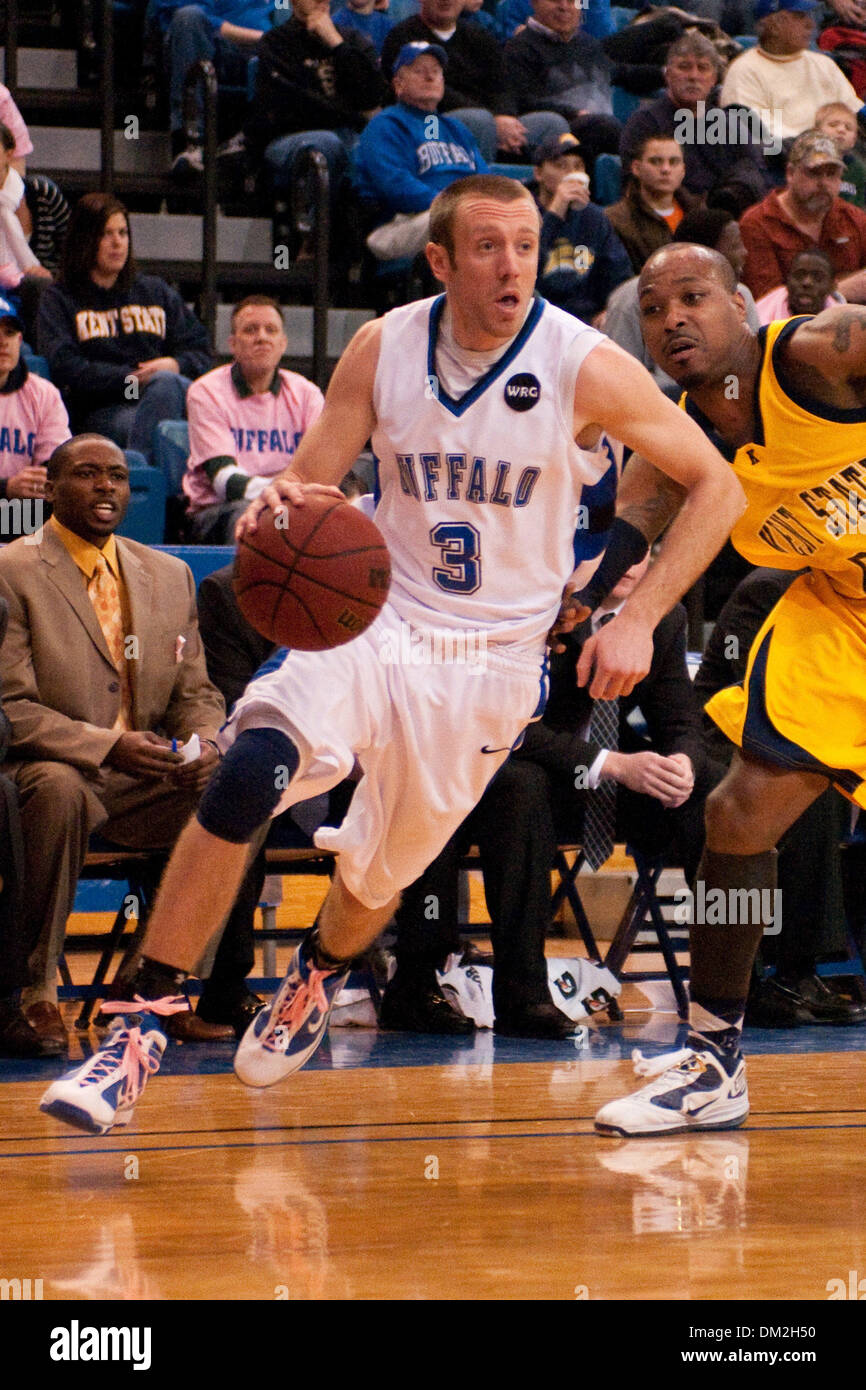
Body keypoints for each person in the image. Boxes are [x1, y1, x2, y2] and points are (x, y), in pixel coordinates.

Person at [39, 173, 743, 1136]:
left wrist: (636, 615)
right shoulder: (385, 345)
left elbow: (717, 487)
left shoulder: (583, 364)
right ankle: (139, 1033)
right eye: (489, 247)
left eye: (528, 246)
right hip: (376, 621)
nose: (513, 267)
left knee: (376, 875)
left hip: (493, 664)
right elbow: (309, 477)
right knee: (249, 771)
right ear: (443, 260)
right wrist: (278, 501)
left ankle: (320, 975)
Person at [592, 242, 866, 1136]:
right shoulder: (681, 434)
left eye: (695, 297)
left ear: (743, 305)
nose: (674, 318)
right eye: (656, 305)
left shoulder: (824, 352)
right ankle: (716, 1060)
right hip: (844, 617)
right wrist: (582, 600)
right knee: (738, 816)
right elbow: (632, 523)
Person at [385, 553, 710, 1039]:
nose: (630, 563)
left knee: (714, 792)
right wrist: (611, 764)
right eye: (624, 546)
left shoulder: (663, 615)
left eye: (642, 551)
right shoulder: (536, 606)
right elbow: (502, 723)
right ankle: (520, 994)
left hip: (603, 788)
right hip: (508, 767)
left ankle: (738, 976)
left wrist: (681, 764)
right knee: (521, 785)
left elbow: (682, 721)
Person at [0, 435, 253, 1053]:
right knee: (58, 792)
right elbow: (10, 709)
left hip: (147, 777)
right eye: (87, 474)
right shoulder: (12, 569)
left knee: (240, 792)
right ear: (52, 488)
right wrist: (106, 748)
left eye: (116, 475)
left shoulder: (167, 574)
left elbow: (195, 690)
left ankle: (152, 988)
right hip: (52, 766)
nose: (107, 486)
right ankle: (31, 995)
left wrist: (202, 743)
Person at [695, 566, 865, 1027]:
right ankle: (775, 976)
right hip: (734, 737)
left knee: (820, 777)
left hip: (827, 735)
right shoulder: (769, 588)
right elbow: (753, 691)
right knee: (809, 790)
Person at [36, 194, 212, 463]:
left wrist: (174, 365)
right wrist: (131, 379)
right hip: (103, 409)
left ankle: (140, 481)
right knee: (166, 431)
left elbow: (201, 351)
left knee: (168, 388)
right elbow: (66, 367)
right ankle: (144, 482)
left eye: (122, 232)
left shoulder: (155, 291)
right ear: (85, 240)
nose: (118, 242)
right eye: (106, 234)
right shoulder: (60, 298)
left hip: (165, 396)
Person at [183, 295, 324, 542]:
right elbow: (223, 481)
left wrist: (285, 498)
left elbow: (319, 468)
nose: (262, 337)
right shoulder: (206, 391)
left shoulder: (307, 394)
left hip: (290, 503)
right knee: (251, 517)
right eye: (250, 330)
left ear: (283, 343)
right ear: (233, 344)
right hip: (218, 511)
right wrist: (279, 494)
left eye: (271, 330)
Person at [382, 0, 569, 163]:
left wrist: (505, 116)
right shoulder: (402, 36)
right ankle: (478, 189)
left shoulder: (479, 35)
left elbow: (502, 84)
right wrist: (493, 119)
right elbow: (434, 92)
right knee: (480, 121)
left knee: (552, 124)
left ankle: (543, 195)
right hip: (432, 123)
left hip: (491, 121)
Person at [353, 41, 488, 262]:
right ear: (398, 84)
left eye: (436, 71)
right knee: (456, 223)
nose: (430, 77)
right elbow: (396, 186)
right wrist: (453, 206)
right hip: (398, 224)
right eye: (419, 71)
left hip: (461, 215)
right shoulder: (385, 125)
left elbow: (484, 180)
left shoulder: (457, 129)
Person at [604, 206, 759, 399]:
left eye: (692, 299)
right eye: (653, 309)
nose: (744, 252)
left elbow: (749, 371)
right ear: (703, 252)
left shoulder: (739, 294)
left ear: (738, 306)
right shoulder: (629, 298)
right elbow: (618, 381)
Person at [619, 32, 773, 212]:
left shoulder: (731, 123)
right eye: (684, 67)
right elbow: (635, 187)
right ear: (668, 75)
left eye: (702, 68)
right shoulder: (645, 123)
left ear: (714, 79)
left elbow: (760, 176)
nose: (693, 76)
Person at [145, 0, 276, 175]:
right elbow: (182, 11)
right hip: (205, 43)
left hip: (259, 51)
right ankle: (191, 142)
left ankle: (255, 143)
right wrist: (271, 40)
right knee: (189, 18)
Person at [740, 130, 866, 303]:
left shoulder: (854, 218)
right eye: (814, 173)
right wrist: (840, 292)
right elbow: (768, 301)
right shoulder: (757, 223)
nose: (823, 183)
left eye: (831, 174)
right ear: (790, 173)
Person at [503, 0, 621, 176]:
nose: (564, 7)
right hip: (564, 129)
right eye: (555, 0)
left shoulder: (588, 44)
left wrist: (664, 72)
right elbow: (522, 101)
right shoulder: (519, 48)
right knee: (605, 128)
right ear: (534, 3)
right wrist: (572, 113)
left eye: (572, 1)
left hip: (600, 125)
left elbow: (620, 72)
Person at [719, 0, 862, 143]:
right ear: (774, 25)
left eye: (808, 16)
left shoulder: (824, 64)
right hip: (784, 157)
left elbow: (855, 111)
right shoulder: (744, 70)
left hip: (838, 151)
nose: (810, 24)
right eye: (799, 17)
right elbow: (758, 133)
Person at [532, 132, 631, 326]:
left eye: (578, 166)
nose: (570, 174)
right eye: (561, 166)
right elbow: (524, 271)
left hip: (587, 321)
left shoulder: (594, 218)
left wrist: (609, 310)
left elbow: (618, 273)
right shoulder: (522, 212)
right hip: (537, 317)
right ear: (538, 173)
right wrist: (554, 213)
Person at [0, 296, 69, 510]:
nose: (3, 342)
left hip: (23, 513)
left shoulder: (43, 394)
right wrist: (6, 488)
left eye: (9, 333)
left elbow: (57, 465)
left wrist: (39, 482)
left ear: (20, 341)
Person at [604, 134, 702, 274]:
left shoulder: (699, 213)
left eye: (674, 162)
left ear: (683, 170)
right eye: (656, 161)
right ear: (636, 168)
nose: (666, 169)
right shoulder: (615, 220)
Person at [754, 246, 842, 323]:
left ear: (833, 286)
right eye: (799, 275)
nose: (807, 283)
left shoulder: (843, 322)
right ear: (787, 279)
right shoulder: (759, 318)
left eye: (817, 277)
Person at [815, 101, 866, 208]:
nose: (841, 130)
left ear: (854, 140)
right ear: (816, 132)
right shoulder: (805, 162)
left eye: (848, 128)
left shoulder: (860, 171)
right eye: (833, 125)